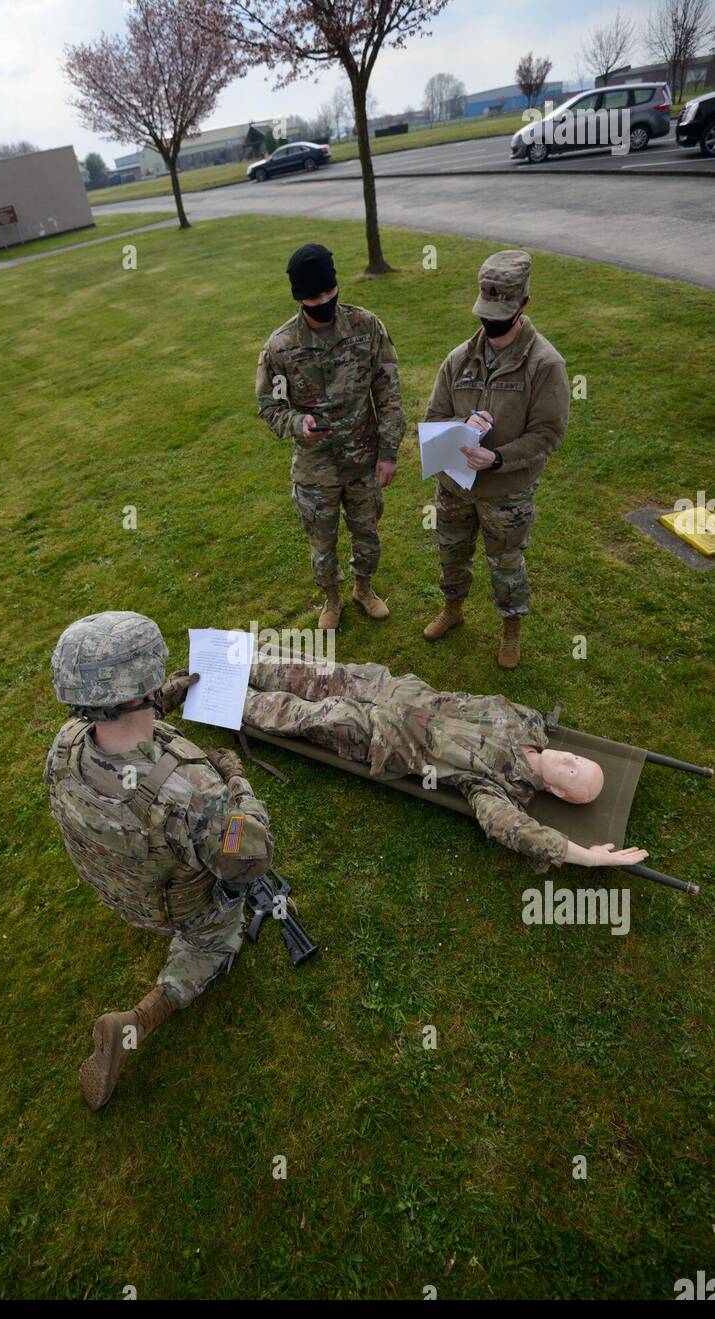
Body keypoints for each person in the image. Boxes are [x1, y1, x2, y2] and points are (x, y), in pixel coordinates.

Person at [44, 611, 273, 1109]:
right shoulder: (193, 796)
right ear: (143, 686)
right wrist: (238, 783)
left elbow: (122, 738)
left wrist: (159, 700)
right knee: (214, 941)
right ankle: (138, 1020)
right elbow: (252, 856)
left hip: (121, 892)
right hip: (181, 911)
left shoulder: (64, 748)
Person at [243, 657, 649, 874]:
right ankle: (232, 659)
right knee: (303, 672)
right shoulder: (531, 722)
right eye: (578, 757)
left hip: (377, 734)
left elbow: (515, 832)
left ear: (559, 792)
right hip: (391, 687)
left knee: (295, 714)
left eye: (573, 771)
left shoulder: (500, 791)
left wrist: (593, 858)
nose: (570, 758)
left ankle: (217, 693)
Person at [423, 250, 570, 669]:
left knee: (506, 563)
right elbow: (434, 416)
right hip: (455, 485)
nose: (491, 323)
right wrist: (461, 428)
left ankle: (511, 629)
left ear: (523, 303)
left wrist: (499, 458)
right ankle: (452, 609)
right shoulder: (458, 359)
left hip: (506, 492)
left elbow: (548, 433)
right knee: (451, 552)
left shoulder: (545, 364)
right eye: (486, 312)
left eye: (501, 313)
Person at [256, 242, 406, 631]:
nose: (322, 301)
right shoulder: (280, 346)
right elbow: (270, 407)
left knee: (367, 533)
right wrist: (296, 424)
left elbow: (388, 392)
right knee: (322, 544)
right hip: (315, 467)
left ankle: (364, 588)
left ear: (336, 286)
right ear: (299, 298)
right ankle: (332, 598)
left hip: (362, 459)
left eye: (327, 292)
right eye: (312, 297)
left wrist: (388, 452)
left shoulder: (366, 327)